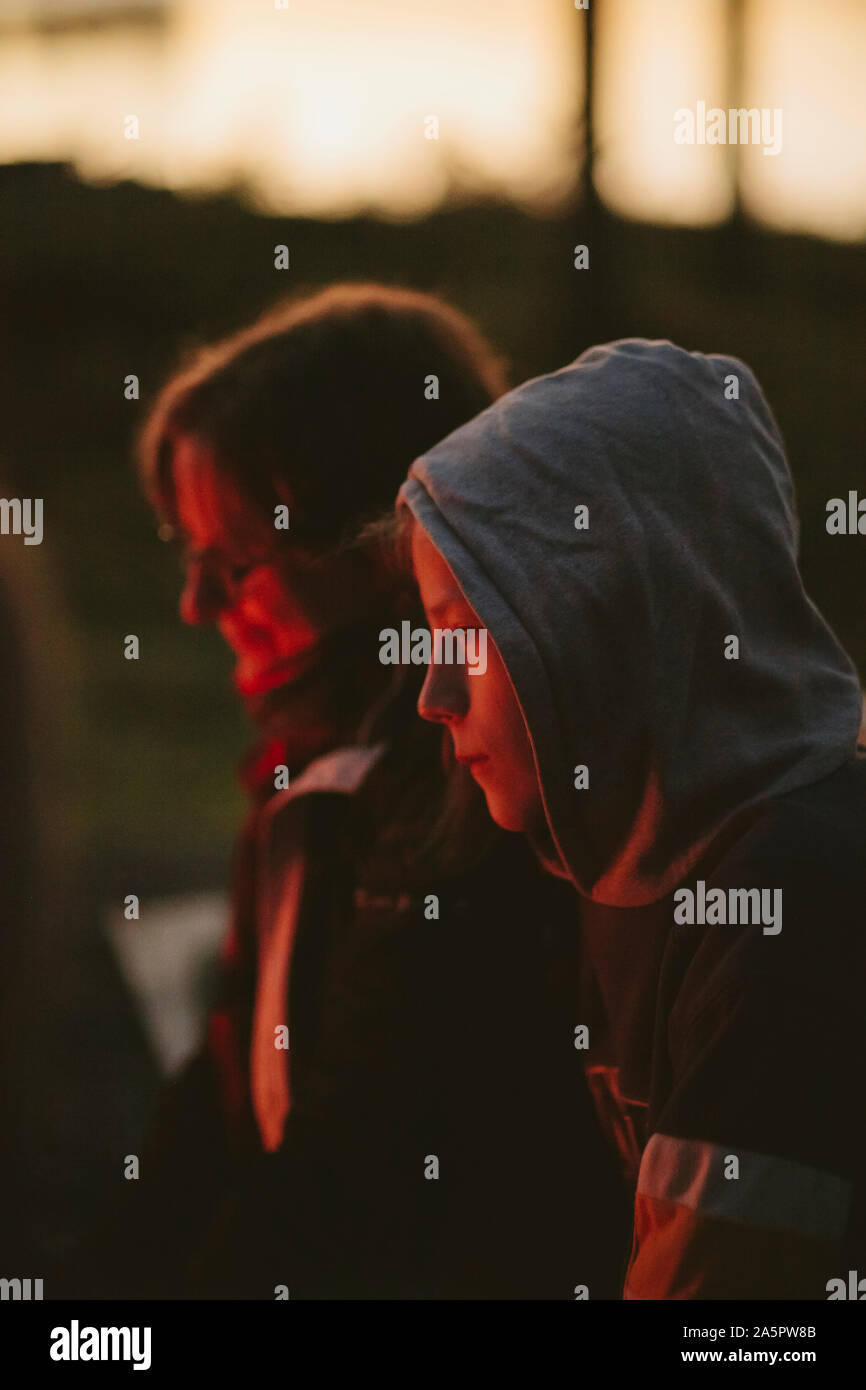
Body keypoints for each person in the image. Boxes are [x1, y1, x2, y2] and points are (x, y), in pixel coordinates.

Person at [60, 285, 628, 1300]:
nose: (196, 604)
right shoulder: (304, 778)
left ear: (382, 550)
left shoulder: (474, 809)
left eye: (234, 562)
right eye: (184, 557)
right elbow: (220, 1113)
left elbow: (345, 1175)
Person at [399, 337, 866, 1299]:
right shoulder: (634, 861)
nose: (431, 695)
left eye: (465, 626)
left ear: (612, 602)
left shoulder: (791, 906)